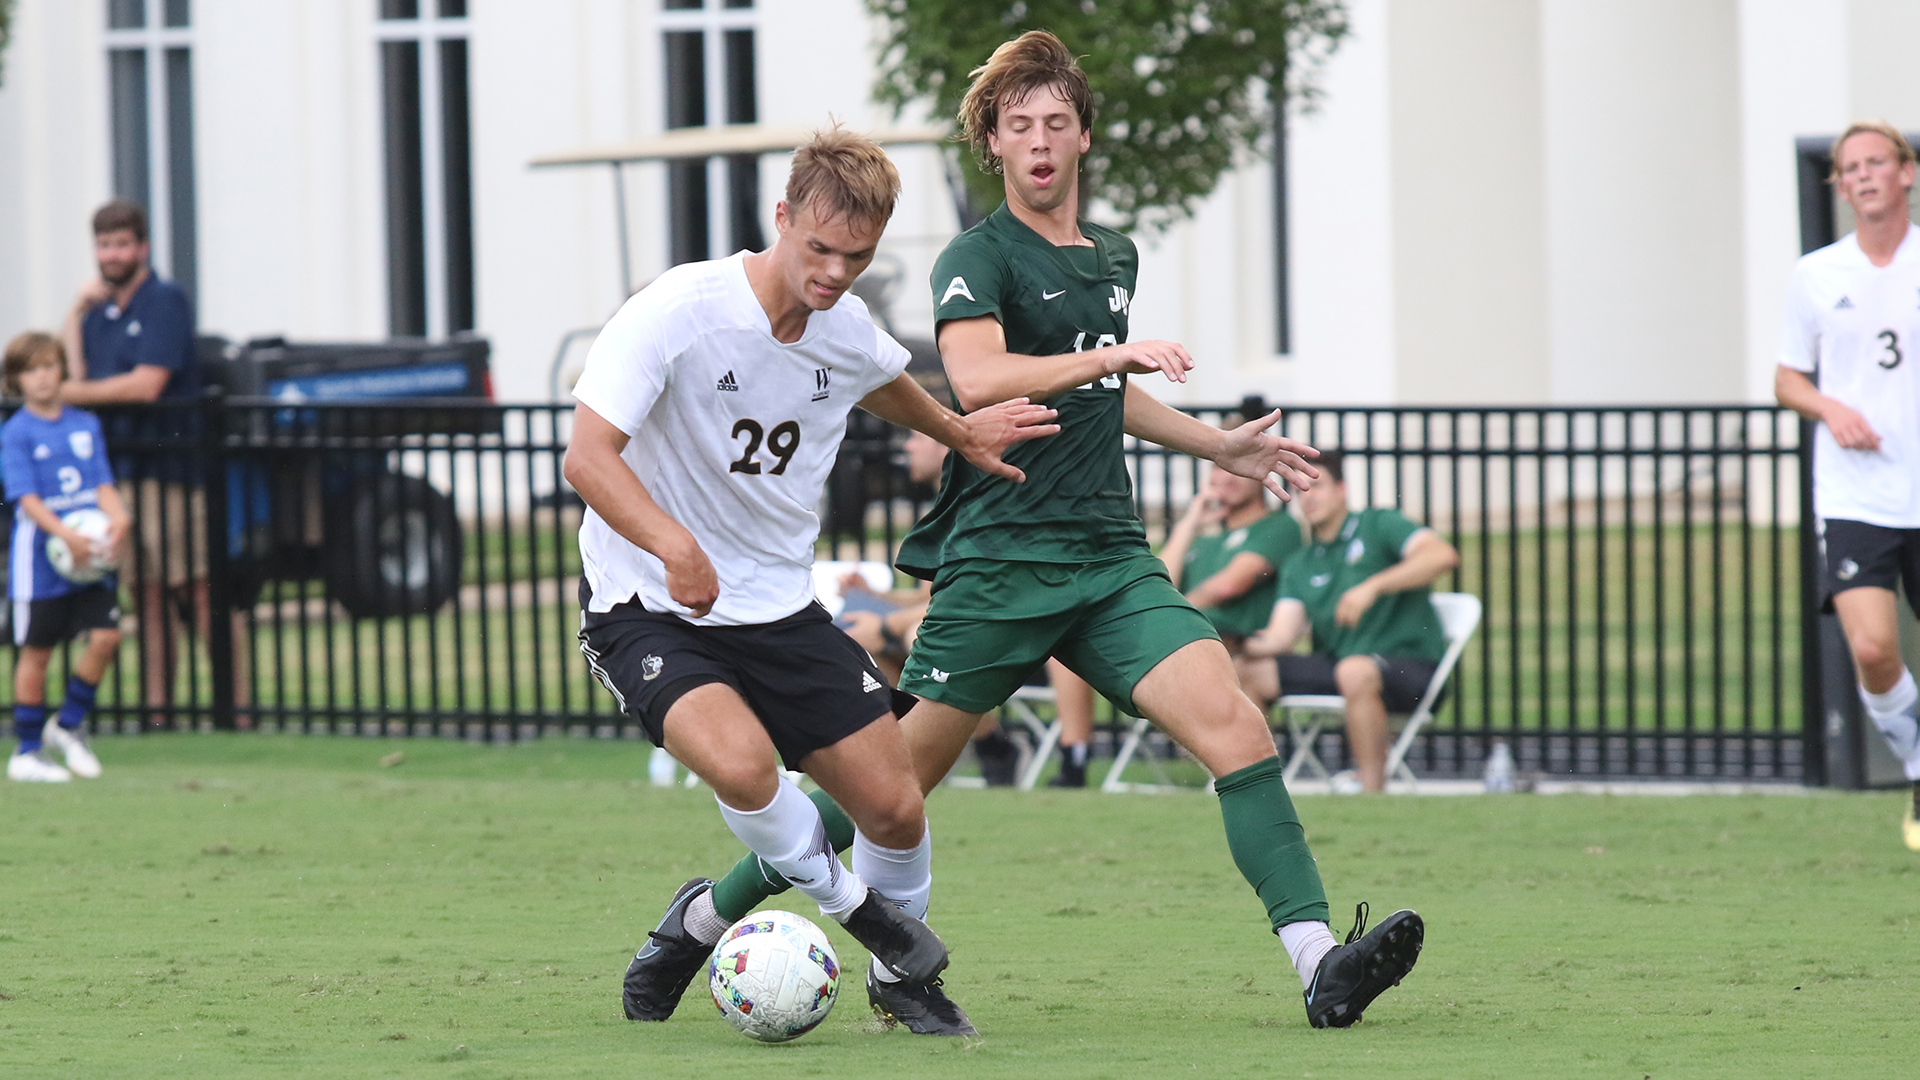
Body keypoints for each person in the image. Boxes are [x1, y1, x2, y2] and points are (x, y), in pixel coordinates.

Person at [623, 32, 1425, 1034]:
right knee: (888, 785)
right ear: (993, 146)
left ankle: (1320, 966)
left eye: (1055, 123)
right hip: (999, 565)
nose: (1039, 142)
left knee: (1237, 728)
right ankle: (705, 917)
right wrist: (1111, 358)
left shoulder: (1112, 255)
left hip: (1109, 561)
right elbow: (981, 381)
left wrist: (1217, 446)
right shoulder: (979, 255)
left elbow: (1102, 396)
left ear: (1084, 136)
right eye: (1018, 127)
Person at [566, 127, 1058, 1033]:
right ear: (782, 218)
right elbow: (588, 459)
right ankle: (866, 922)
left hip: (778, 608)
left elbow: (884, 377)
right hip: (650, 602)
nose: (835, 272)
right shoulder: (679, 309)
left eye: (857, 257)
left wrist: (958, 432)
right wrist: (672, 545)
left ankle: (713, 924)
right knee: (746, 766)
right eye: (820, 249)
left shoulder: (846, 328)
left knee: (895, 807)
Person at [1775, 120, 1920, 849]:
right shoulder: (1818, 275)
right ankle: (1918, 763)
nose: (1862, 175)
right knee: (1871, 650)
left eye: (1875, 163)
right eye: (1849, 167)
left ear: (1907, 174)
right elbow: (1786, 377)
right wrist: (1830, 407)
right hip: (1858, 494)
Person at [58, 199, 228, 725]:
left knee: (198, 589)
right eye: (104, 245)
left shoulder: (164, 300)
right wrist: (72, 313)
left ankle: (235, 706)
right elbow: (77, 373)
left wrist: (73, 392)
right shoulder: (99, 313)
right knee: (146, 596)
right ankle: (159, 712)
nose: (112, 255)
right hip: (119, 473)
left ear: (143, 247)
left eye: (122, 244)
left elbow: (146, 385)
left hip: (170, 470)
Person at [1236, 451, 1461, 793]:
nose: (1307, 498)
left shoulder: (1379, 524)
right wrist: (1233, 644)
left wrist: (1373, 586)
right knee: (1247, 670)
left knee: (1355, 670)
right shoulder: (1300, 563)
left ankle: (1371, 791)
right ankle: (1254, 786)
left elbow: (1442, 556)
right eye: (1299, 491)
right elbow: (1280, 636)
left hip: (1410, 668)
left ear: (1342, 490)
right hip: (1343, 667)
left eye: (1318, 487)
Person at [3, 333, 128, 782]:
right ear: (16, 379)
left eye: (50, 365)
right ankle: (28, 752)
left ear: (62, 370)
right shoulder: (16, 433)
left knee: (106, 638)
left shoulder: (84, 424)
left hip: (88, 559)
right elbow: (27, 499)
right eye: (31, 369)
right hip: (40, 562)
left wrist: (119, 521)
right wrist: (64, 535)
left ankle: (68, 726)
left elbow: (102, 485)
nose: (42, 377)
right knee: (37, 654)